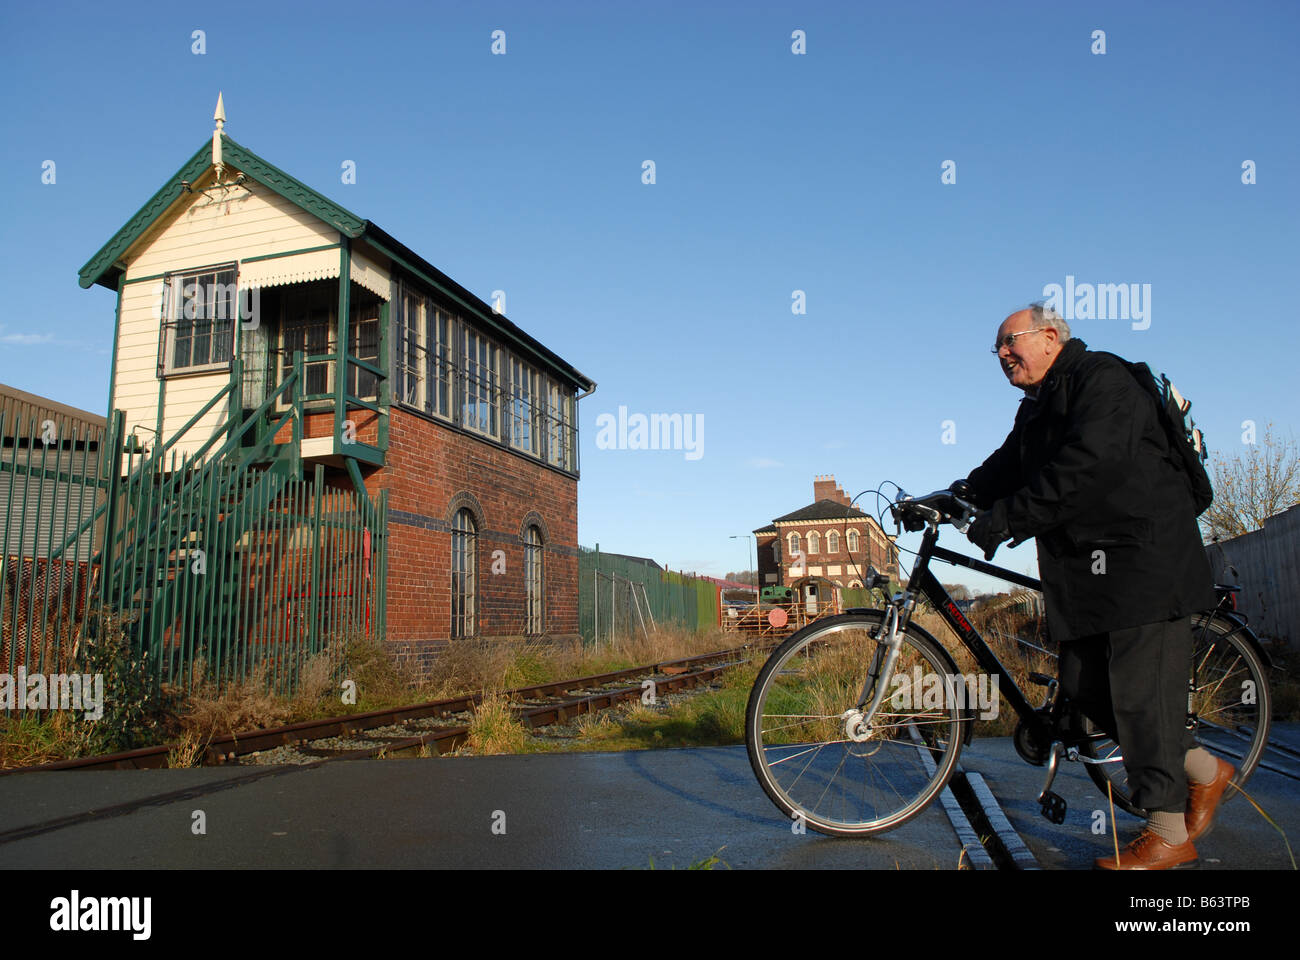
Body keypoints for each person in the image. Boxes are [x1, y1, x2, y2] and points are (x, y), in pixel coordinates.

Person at [957, 303, 1233, 870]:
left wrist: (1007, 518)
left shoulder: (1103, 379)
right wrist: (956, 495)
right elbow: (1009, 465)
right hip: (1092, 574)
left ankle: (1167, 832)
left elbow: (1088, 467)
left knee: (1140, 696)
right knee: (1084, 690)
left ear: (1052, 335)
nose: (1003, 354)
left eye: (1011, 341)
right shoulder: (1040, 405)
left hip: (1143, 564)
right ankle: (1206, 771)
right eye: (998, 348)